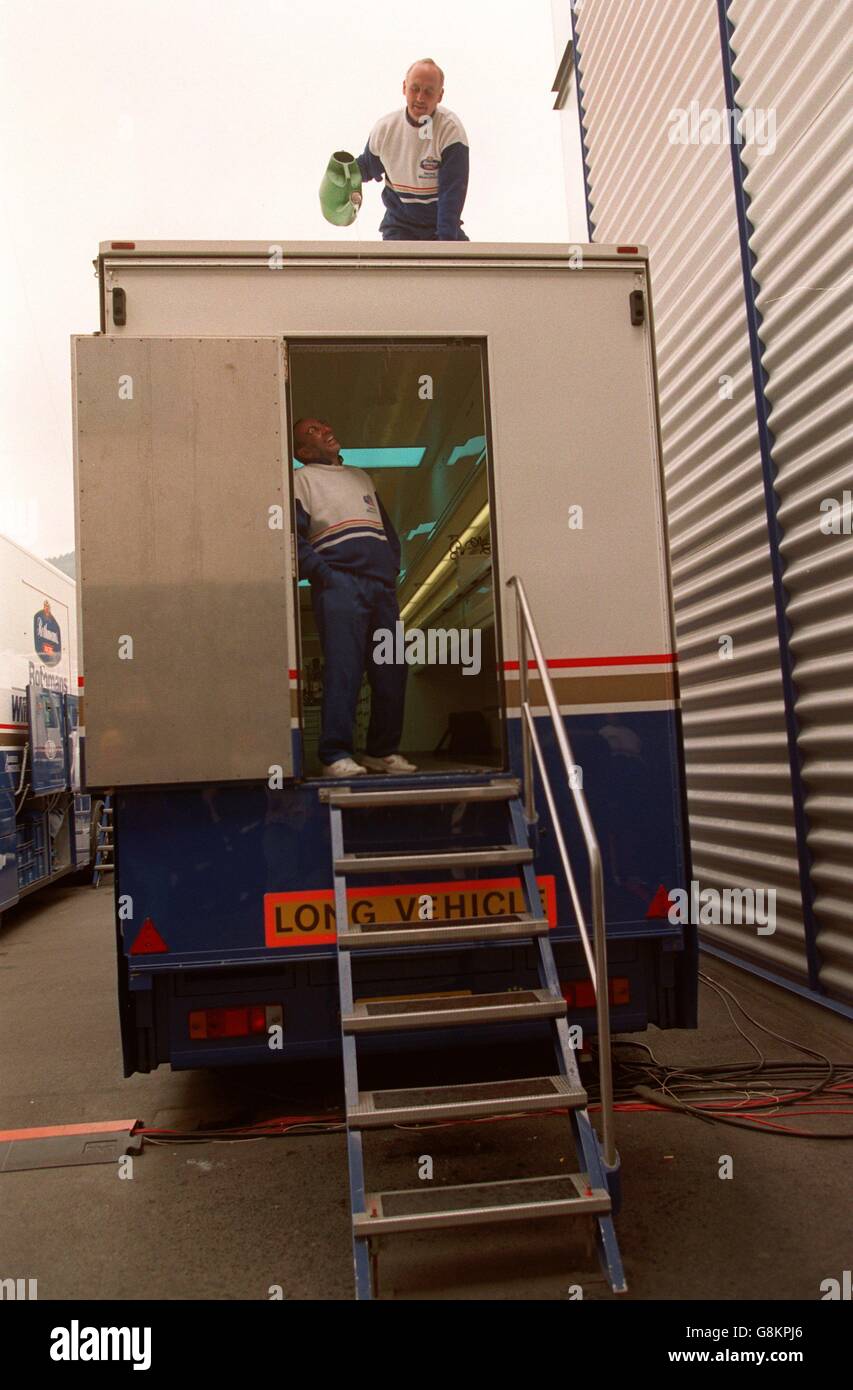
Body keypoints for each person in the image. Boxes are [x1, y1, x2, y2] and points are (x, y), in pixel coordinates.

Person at [292, 418, 417, 779]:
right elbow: (292, 535)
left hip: (380, 587)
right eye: (312, 432)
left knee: (392, 668)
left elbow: (388, 532)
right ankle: (334, 755)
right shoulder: (301, 480)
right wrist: (324, 575)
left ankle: (382, 751)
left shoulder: (362, 477)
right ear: (304, 451)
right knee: (345, 668)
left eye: (323, 425)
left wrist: (391, 569)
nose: (325, 429)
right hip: (340, 584)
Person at [353, 58, 469, 241]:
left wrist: (445, 249)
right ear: (404, 88)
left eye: (429, 92)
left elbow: (451, 196)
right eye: (415, 89)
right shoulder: (386, 129)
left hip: (440, 226)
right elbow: (366, 167)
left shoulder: (450, 131)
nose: (420, 98)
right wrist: (341, 172)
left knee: (465, 266)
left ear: (440, 95)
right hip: (399, 227)